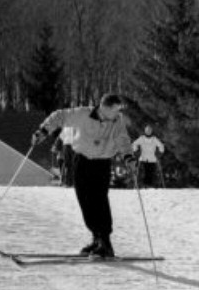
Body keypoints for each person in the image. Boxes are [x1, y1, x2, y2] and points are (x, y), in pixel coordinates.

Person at [32, 94, 135, 258]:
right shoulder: (82, 114)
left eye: (119, 110)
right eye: (115, 110)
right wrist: (43, 131)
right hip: (82, 161)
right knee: (84, 200)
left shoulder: (117, 120)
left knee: (100, 199)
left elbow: (122, 138)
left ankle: (105, 242)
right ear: (104, 108)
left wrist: (128, 156)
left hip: (102, 163)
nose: (118, 114)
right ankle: (96, 239)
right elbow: (59, 116)